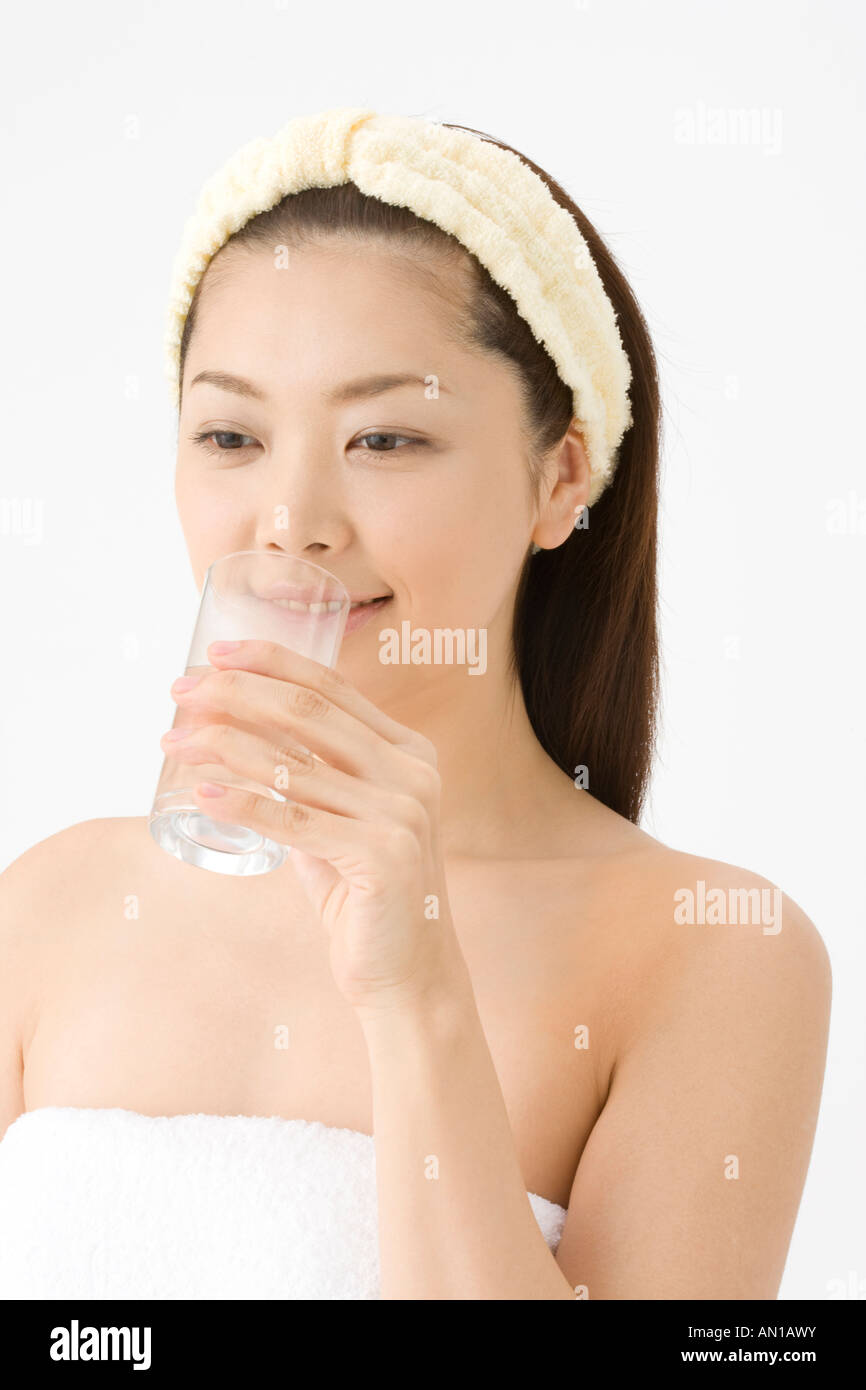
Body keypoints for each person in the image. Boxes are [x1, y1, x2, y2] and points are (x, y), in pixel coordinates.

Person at [0, 108, 831, 1300]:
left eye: (383, 437)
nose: (291, 518)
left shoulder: (713, 953)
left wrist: (415, 996)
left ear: (560, 478)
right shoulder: (45, 906)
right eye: (230, 433)